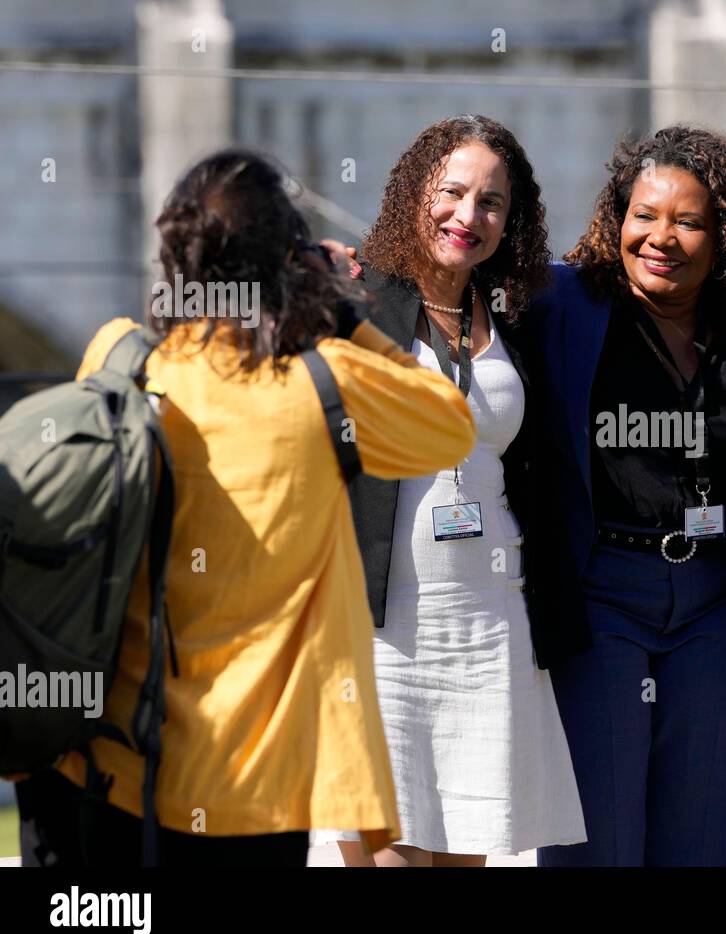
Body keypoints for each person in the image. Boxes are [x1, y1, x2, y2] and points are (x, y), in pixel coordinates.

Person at [15, 148, 476, 866]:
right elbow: (450, 423)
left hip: (111, 765)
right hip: (255, 793)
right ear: (285, 263)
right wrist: (339, 314)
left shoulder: (119, 359)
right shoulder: (327, 385)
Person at [326, 115, 586, 867]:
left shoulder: (518, 316)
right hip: (380, 632)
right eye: (452, 192)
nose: (468, 216)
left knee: (472, 852)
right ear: (415, 193)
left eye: (492, 202)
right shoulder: (354, 302)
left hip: (491, 624)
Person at [526, 125, 726, 866]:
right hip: (602, 598)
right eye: (644, 215)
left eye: (688, 221)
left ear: (725, 237)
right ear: (617, 218)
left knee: (698, 843)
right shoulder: (562, 303)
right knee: (596, 843)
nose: (660, 237)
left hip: (714, 607)